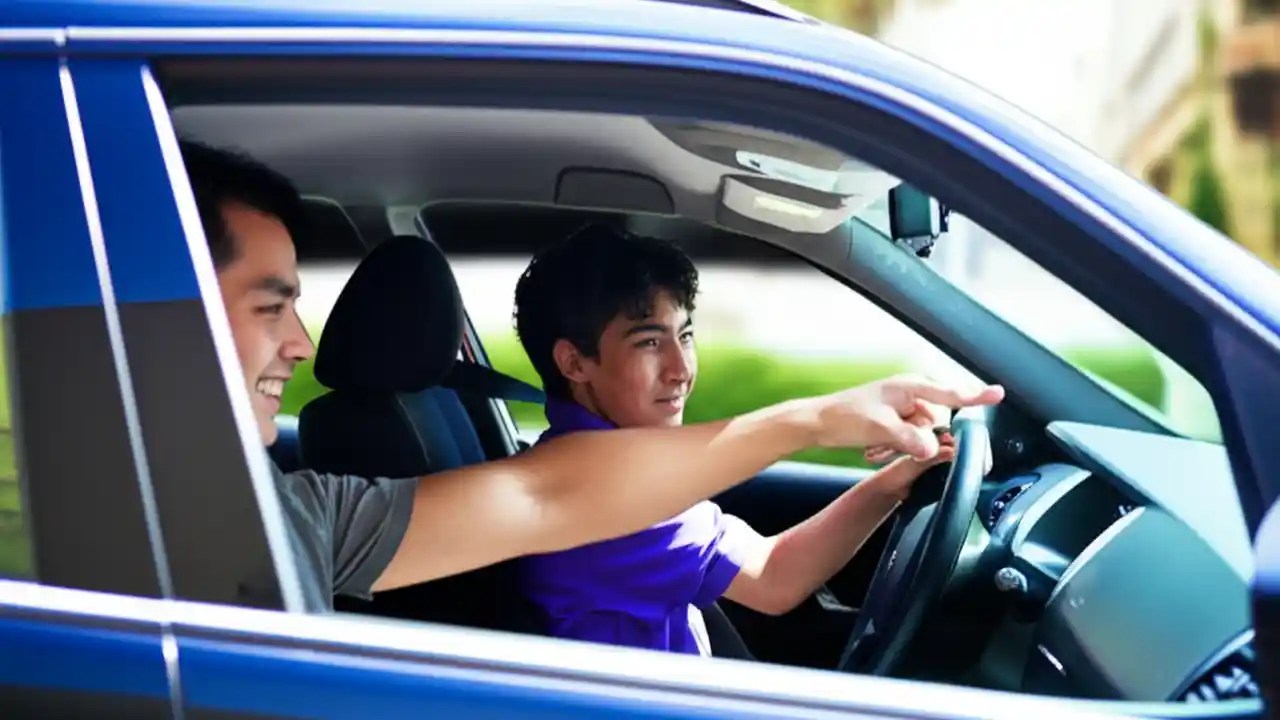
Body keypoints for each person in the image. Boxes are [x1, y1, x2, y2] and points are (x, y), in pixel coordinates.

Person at [180, 140, 1004, 614]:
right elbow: (562, 499)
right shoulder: (76, 557)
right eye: (268, 306)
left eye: (685, 336)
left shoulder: (298, 514)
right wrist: (817, 421)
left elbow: (546, 493)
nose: (298, 339)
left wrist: (869, 464)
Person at [511, 225, 957, 656]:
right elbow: (773, 577)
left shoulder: (585, 461)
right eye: (648, 343)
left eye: (684, 336)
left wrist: (892, 484)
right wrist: (886, 486)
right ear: (574, 362)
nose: (681, 369)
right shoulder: (612, 494)